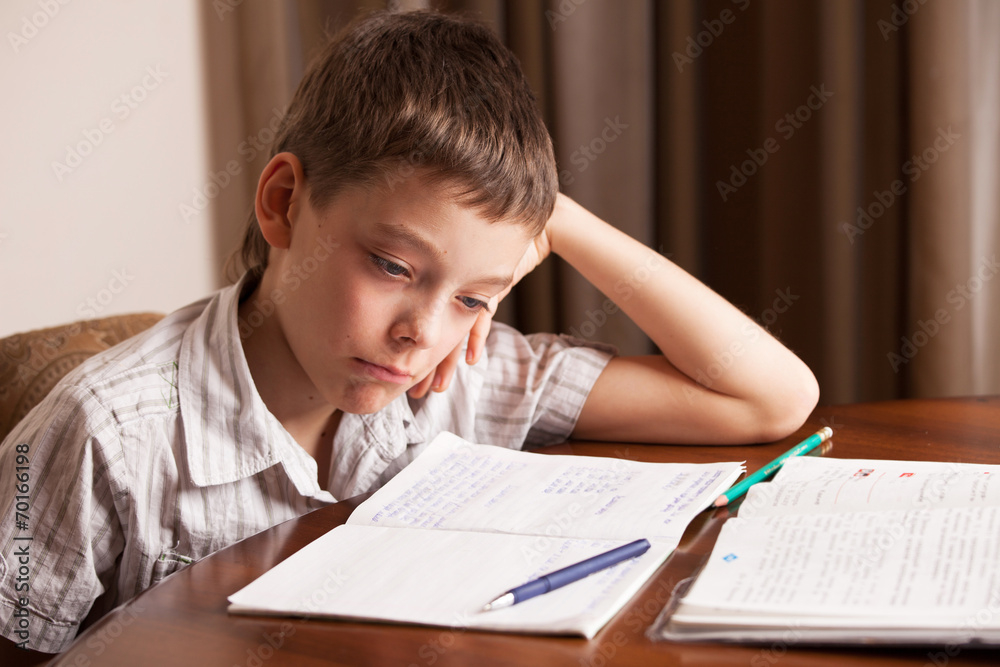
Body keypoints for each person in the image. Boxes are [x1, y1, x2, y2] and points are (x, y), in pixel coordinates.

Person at [0, 9, 818, 662]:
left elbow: (769, 398)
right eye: (393, 265)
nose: (420, 334)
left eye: (473, 296)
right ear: (284, 202)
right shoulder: (104, 433)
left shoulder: (457, 377)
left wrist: (553, 216)